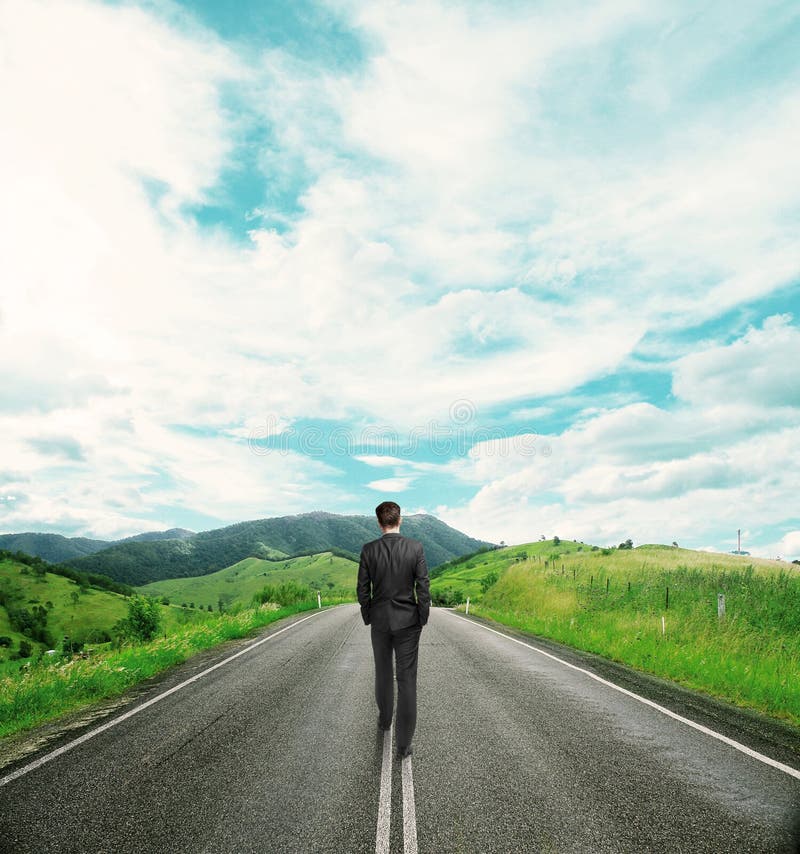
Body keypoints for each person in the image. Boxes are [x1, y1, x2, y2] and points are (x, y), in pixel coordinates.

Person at [357, 501, 431, 759]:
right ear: (400, 520)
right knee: (407, 680)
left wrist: (369, 617)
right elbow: (423, 587)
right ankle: (403, 744)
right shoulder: (415, 548)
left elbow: (363, 590)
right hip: (408, 622)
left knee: (383, 672)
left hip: (380, 622)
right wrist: (421, 617)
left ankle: (385, 720)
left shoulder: (368, 550)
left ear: (379, 523)